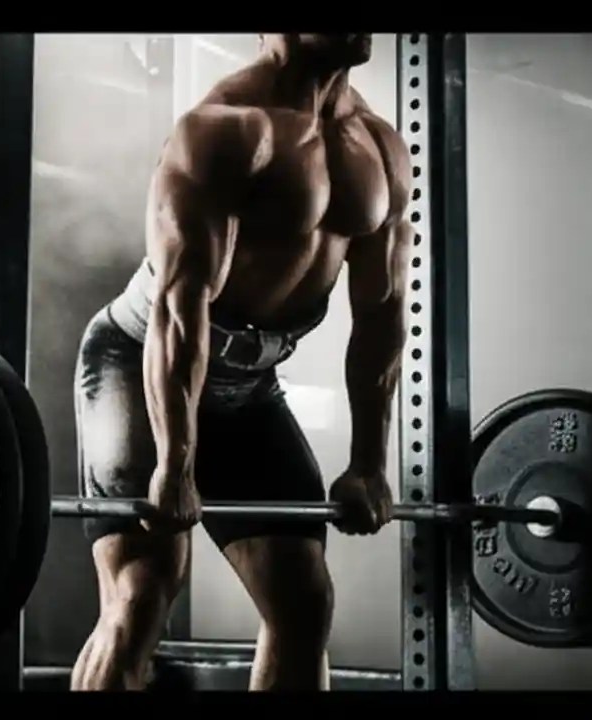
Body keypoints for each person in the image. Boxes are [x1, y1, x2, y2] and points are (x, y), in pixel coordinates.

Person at [71, 33, 413, 691]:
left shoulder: (379, 148)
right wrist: (175, 462)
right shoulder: (223, 130)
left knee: (303, 604)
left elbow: (382, 318)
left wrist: (369, 463)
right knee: (143, 594)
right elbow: (180, 311)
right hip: (143, 360)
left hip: (247, 387)